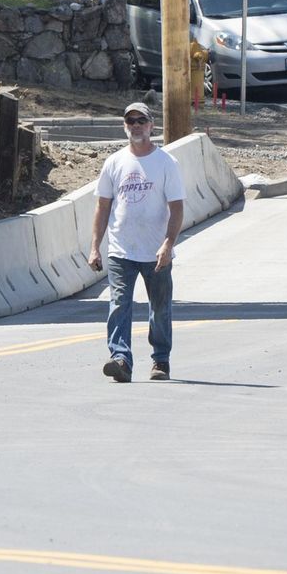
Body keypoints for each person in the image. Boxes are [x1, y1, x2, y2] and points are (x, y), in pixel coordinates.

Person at [91, 100, 183, 383]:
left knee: (159, 307)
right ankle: (121, 359)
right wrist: (95, 246)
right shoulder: (114, 163)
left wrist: (168, 243)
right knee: (119, 304)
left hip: (156, 252)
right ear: (124, 126)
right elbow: (103, 207)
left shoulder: (166, 163)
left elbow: (177, 208)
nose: (136, 126)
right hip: (121, 249)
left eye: (141, 121)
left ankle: (161, 360)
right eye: (130, 122)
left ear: (151, 126)